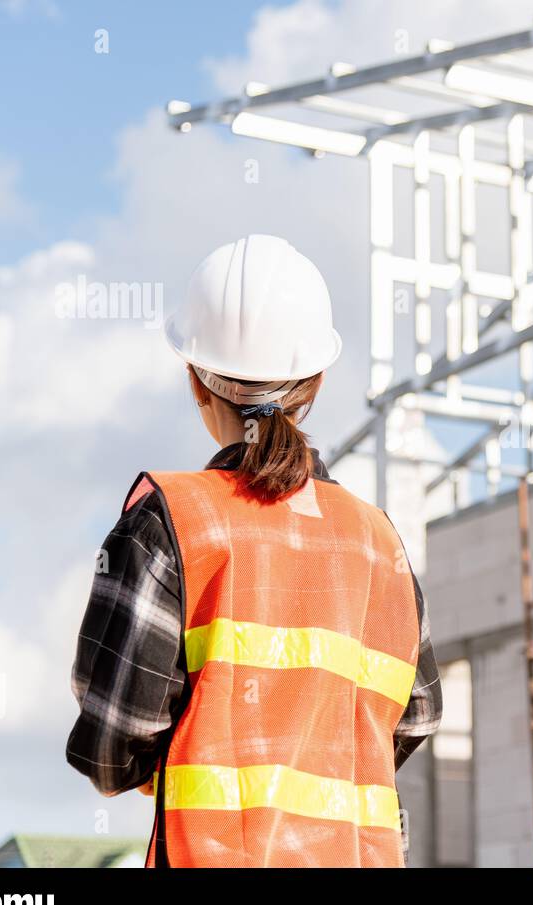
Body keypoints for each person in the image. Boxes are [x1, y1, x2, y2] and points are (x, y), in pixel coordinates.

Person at [66, 235, 442, 867]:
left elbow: (112, 740)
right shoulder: (379, 542)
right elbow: (417, 716)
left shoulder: (171, 522)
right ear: (316, 383)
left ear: (195, 380)